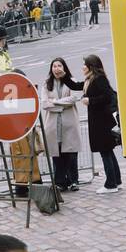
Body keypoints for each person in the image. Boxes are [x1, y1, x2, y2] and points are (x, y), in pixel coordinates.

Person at [41, 58, 83, 192]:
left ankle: (73, 181)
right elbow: (45, 104)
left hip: (69, 124)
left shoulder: (71, 81)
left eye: (59, 65)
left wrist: (56, 102)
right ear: (51, 68)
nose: (57, 68)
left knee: (71, 153)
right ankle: (60, 182)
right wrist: (61, 105)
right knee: (57, 155)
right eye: (54, 66)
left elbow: (73, 99)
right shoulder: (47, 84)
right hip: (53, 125)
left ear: (64, 68)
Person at [82, 54, 122, 193]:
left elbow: (107, 96)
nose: (83, 67)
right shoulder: (91, 79)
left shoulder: (99, 79)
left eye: (85, 65)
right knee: (108, 152)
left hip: (102, 122)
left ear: (91, 67)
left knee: (105, 152)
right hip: (100, 121)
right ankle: (116, 180)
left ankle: (111, 184)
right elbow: (77, 85)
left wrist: (90, 101)